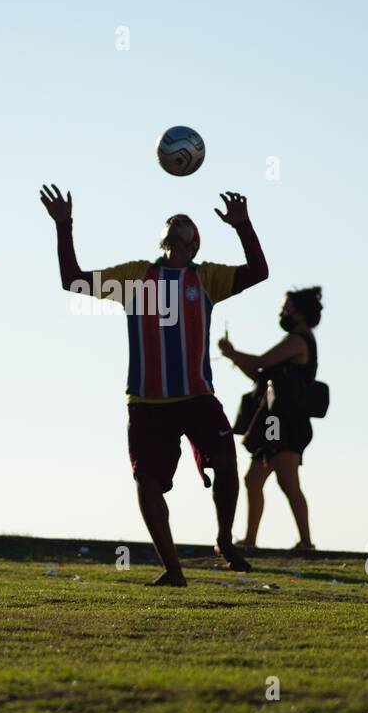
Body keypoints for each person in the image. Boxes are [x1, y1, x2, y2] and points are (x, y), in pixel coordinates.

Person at [39, 184, 269, 586]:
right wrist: (64, 225)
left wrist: (243, 226)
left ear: (194, 244)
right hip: (147, 401)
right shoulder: (134, 277)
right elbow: (72, 281)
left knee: (228, 464)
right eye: (173, 224)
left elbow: (259, 271)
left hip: (198, 397)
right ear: (163, 239)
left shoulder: (208, 277)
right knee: (146, 482)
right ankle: (173, 569)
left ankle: (224, 540)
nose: (178, 226)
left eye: (187, 226)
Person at [218, 287, 322, 551]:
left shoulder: (298, 341)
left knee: (286, 480)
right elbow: (259, 374)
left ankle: (306, 542)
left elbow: (260, 363)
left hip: (285, 424)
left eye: (287, 307)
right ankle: (253, 539)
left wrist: (231, 353)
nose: (283, 312)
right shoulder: (298, 340)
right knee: (257, 480)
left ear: (299, 313)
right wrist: (235, 357)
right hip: (274, 423)